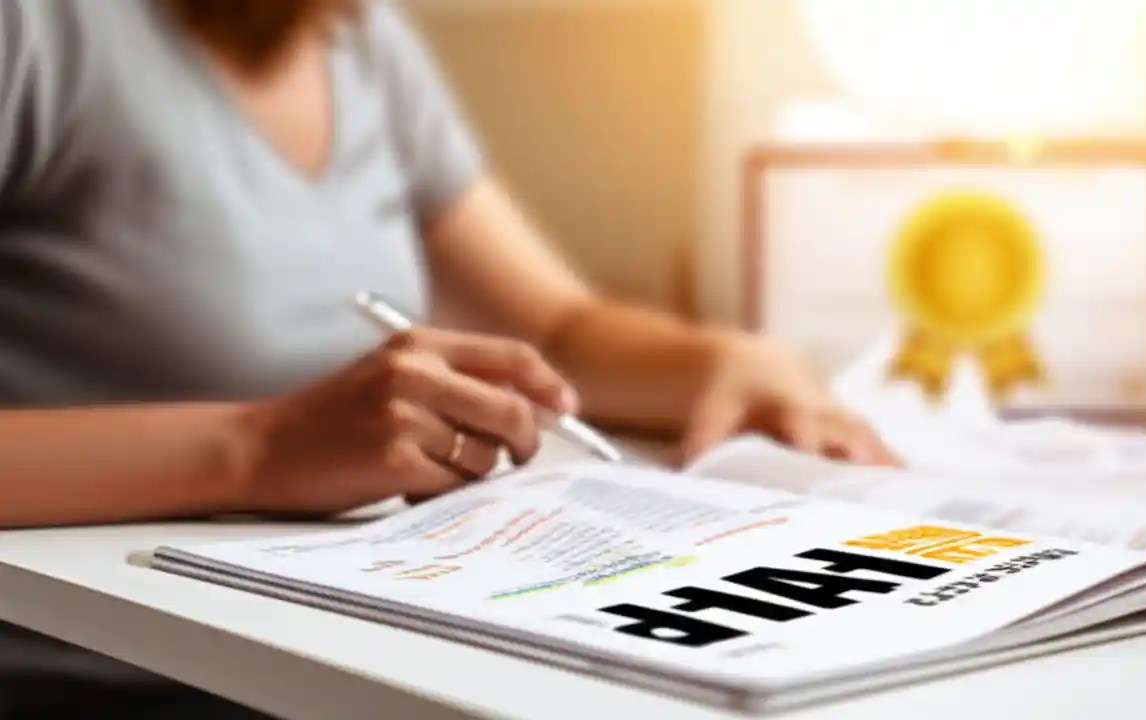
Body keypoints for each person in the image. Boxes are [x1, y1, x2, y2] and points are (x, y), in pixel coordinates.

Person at [0, 0, 894, 715]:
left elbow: (553, 332)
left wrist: (721, 360)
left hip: (344, 656)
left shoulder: (353, 35)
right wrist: (260, 448)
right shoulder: (41, 30)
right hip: (104, 673)